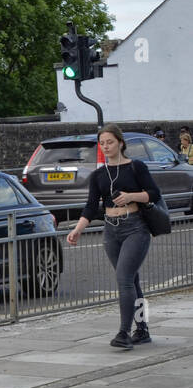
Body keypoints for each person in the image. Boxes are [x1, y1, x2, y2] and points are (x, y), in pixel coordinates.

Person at [66, 123, 161, 349]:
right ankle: (143, 330)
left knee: (124, 279)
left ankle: (123, 333)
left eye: (109, 142)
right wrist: (78, 229)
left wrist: (131, 196)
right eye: (102, 143)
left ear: (120, 142)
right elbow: (90, 207)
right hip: (111, 229)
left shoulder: (136, 167)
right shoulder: (98, 175)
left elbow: (154, 194)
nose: (106, 146)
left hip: (135, 227)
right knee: (132, 280)